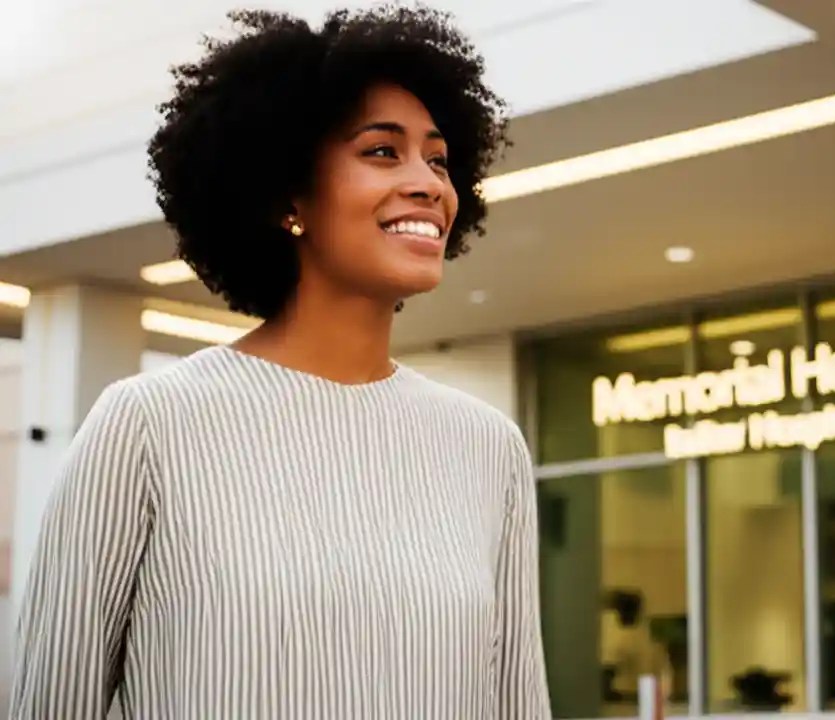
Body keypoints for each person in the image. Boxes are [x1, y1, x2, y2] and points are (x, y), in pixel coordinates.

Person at [9, 6, 550, 718]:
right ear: (287, 194)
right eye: (383, 151)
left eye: (439, 159)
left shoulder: (487, 449)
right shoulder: (149, 426)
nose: (428, 184)